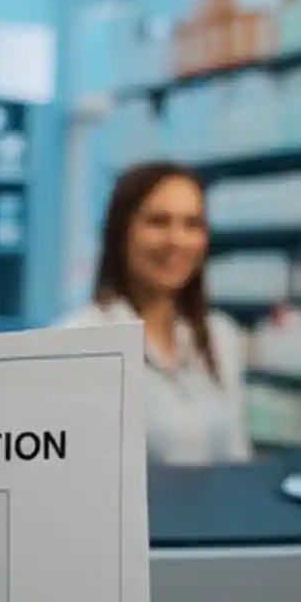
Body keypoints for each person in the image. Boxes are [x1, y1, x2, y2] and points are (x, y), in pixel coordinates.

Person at [64, 162, 251, 466]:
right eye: (158, 222)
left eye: (192, 224)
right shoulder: (78, 342)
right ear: (121, 233)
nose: (177, 240)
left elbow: (237, 456)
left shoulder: (221, 336)